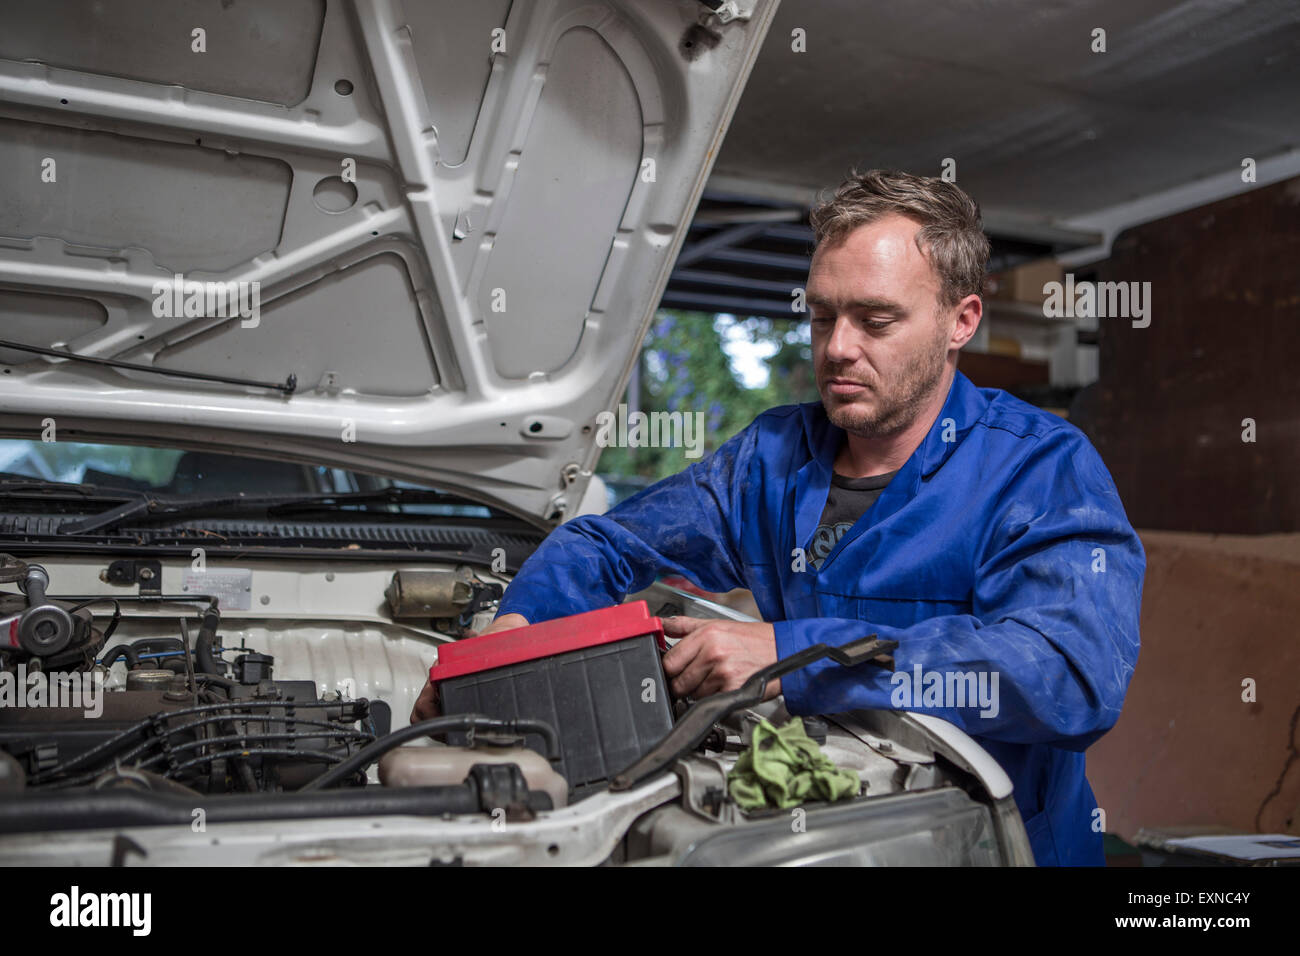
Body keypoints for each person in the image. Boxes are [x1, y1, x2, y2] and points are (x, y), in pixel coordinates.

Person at [411, 168, 1144, 866]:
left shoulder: (1040, 469)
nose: (837, 348)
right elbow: (608, 542)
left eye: (876, 319)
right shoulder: (771, 458)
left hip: (993, 848)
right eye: (822, 316)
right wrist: (515, 634)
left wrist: (796, 655)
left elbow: (1069, 677)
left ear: (962, 321)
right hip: (824, 829)